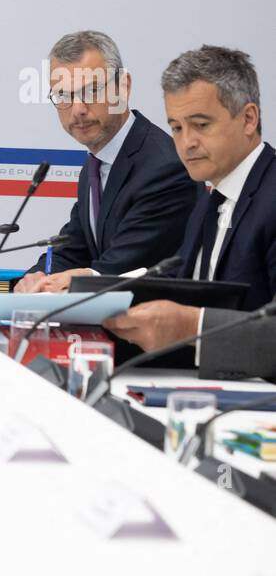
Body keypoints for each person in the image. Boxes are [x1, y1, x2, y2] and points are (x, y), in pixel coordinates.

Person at [105, 45, 272, 357]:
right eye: (176, 128)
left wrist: (195, 329)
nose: (186, 143)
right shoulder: (211, 199)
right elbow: (177, 277)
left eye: (201, 125)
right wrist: (95, 294)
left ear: (248, 119)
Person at [15, 31, 196, 293]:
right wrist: (35, 279)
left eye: (91, 90)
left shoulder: (165, 167)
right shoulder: (97, 162)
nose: (78, 108)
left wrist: (68, 282)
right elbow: (74, 247)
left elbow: (126, 264)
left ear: (123, 87)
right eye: (64, 95)